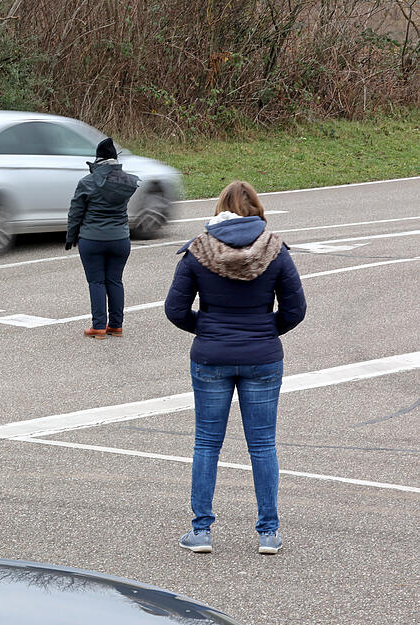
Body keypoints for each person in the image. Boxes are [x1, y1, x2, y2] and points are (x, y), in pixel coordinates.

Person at [164, 180, 306, 555]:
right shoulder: (276, 250)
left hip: (211, 357)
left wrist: (210, 330)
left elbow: (175, 310)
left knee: (207, 444)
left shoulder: (197, 251)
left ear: (220, 208)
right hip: (262, 356)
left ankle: (202, 531)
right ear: (257, 208)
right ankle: (268, 533)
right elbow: (296, 310)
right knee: (262, 445)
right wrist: (263, 331)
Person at [66, 137, 140, 339]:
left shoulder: (87, 182)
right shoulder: (128, 182)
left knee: (97, 282)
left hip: (92, 239)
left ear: (98, 161)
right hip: (120, 240)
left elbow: (75, 212)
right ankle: (116, 325)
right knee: (115, 280)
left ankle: (98, 326)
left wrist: (71, 237)